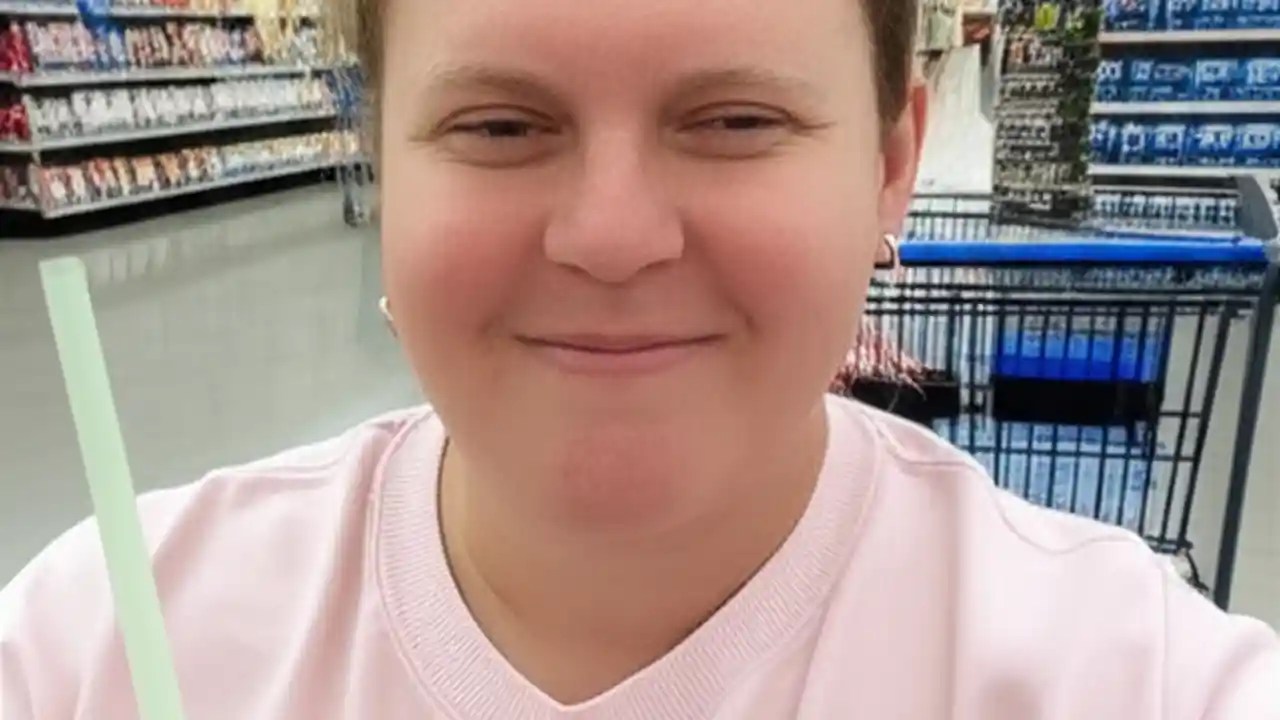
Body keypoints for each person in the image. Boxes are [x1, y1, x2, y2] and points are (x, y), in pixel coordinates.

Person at [2, 0, 1277, 717]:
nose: (611, 238)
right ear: (382, 165)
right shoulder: (92, 648)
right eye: (500, 122)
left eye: (734, 119)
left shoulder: (1131, 680)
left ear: (888, 163)